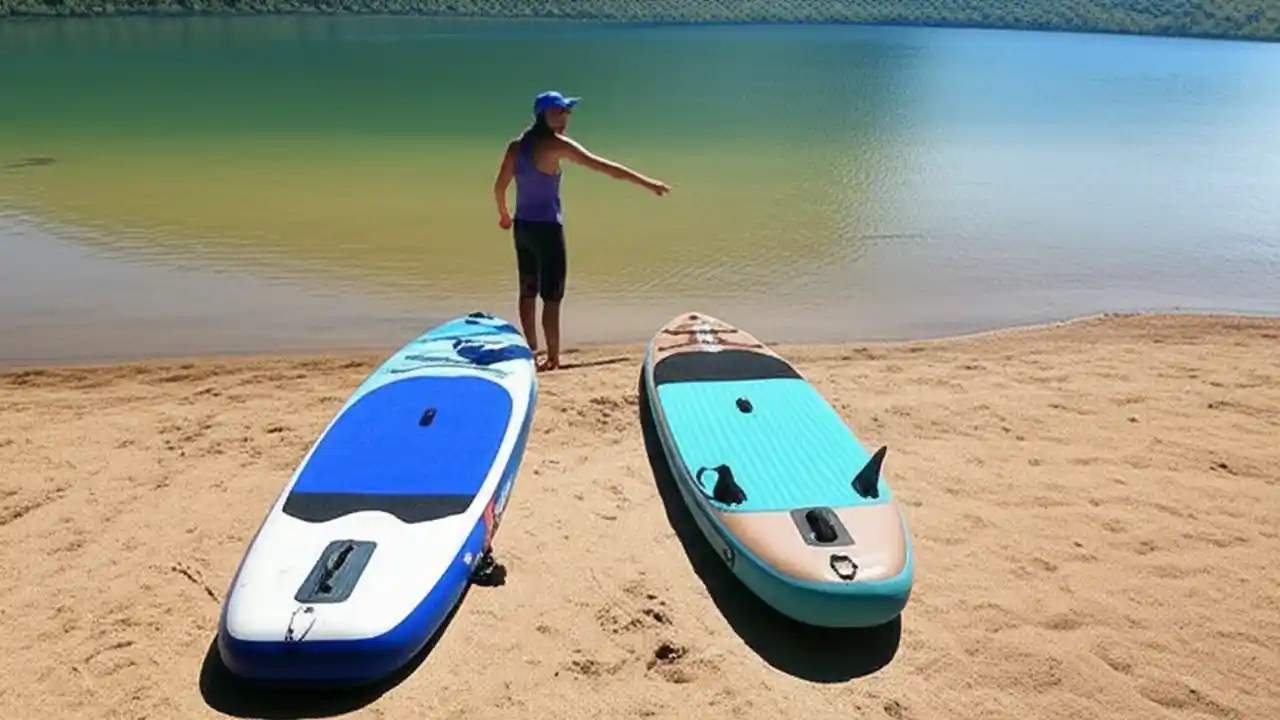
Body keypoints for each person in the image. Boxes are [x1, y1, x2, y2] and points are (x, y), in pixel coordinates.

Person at [492, 90, 670, 372]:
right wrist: (649, 183)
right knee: (552, 297)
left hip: (523, 227)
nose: (566, 116)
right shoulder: (557, 146)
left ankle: (531, 349)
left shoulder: (516, 147)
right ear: (544, 115)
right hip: (548, 231)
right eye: (560, 110)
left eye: (567, 111)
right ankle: (552, 358)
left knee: (527, 290)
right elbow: (605, 168)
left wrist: (504, 214)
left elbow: (500, 186)